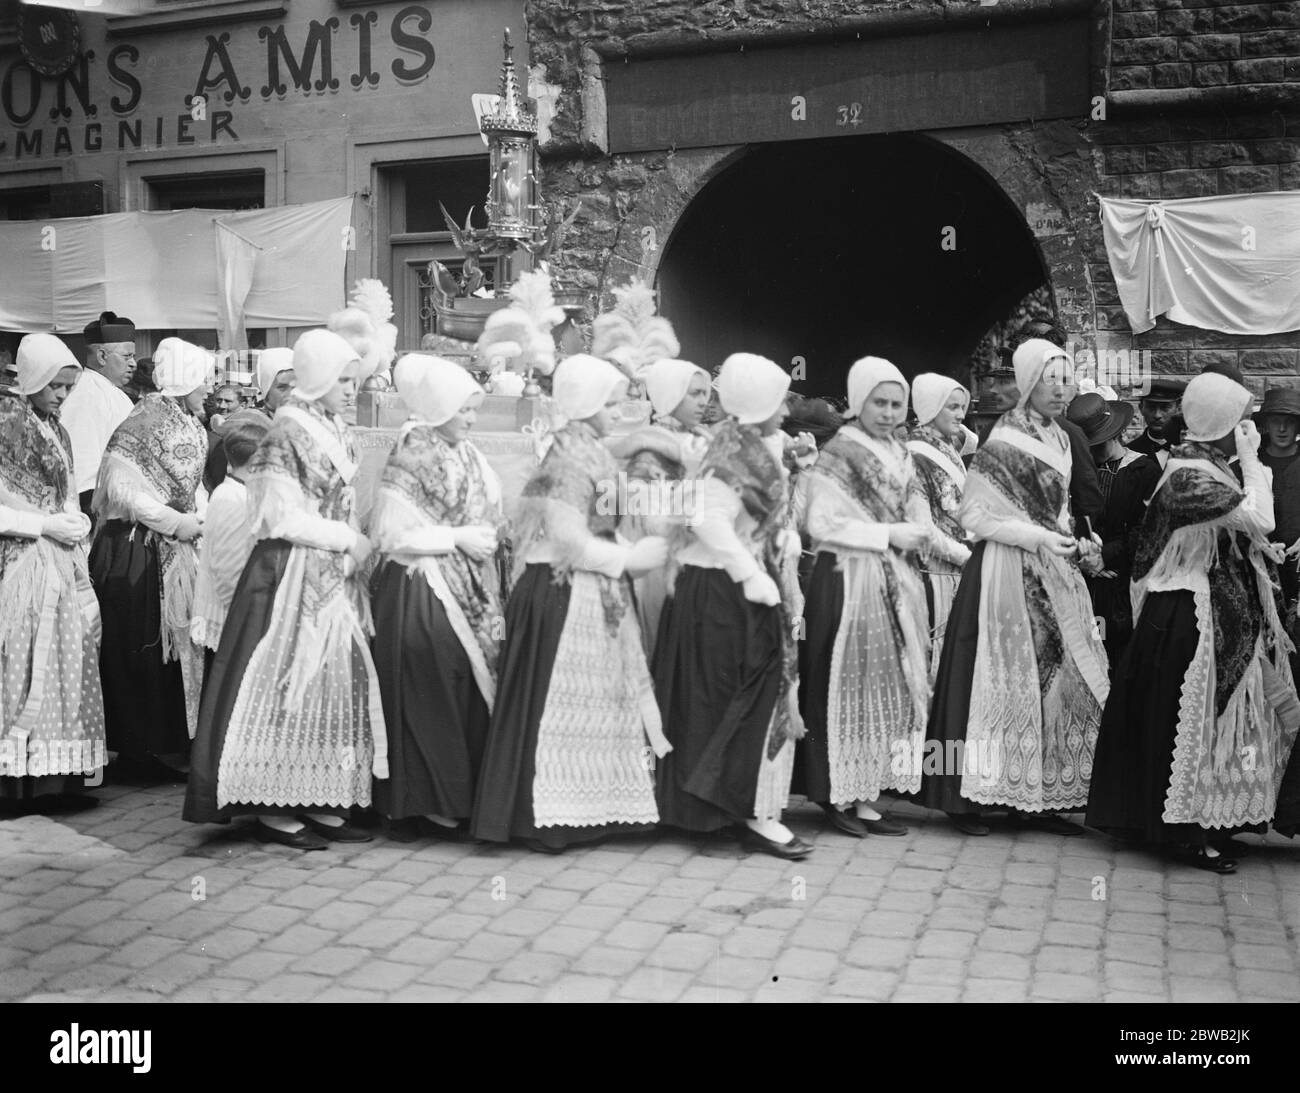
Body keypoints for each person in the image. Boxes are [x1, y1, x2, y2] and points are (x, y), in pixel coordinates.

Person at [1086, 372, 1300, 871]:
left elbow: (1244, 528)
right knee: (1193, 721)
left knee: (1206, 721)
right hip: (1185, 612)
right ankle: (1183, 832)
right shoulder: (1189, 476)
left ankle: (1208, 822)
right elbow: (1259, 517)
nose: (1250, 426)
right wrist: (1253, 459)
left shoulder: (1205, 463)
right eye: (1242, 419)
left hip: (1203, 606)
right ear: (1220, 422)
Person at [184, 330, 384, 850]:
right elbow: (277, 518)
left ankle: (314, 796)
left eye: (352, 379)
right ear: (316, 378)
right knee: (279, 684)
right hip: (286, 575)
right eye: (340, 379)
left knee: (325, 683)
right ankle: (272, 807)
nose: (349, 388)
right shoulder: (285, 435)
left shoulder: (333, 426)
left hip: (328, 572)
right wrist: (346, 538)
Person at [471, 354, 669, 853]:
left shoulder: (594, 453)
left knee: (596, 701)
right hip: (562, 589)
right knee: (556, 707)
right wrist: (626, 560)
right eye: (613, 402)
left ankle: (590, 810)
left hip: (589, 588)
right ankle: (547, 819)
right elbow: (567, 540)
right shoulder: (566, 458)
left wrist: (628, 550)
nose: (620, 411)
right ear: (588, 403)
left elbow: (602, 526)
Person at [916, 339, 1110, 837]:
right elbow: (975, 516)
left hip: (1053, 570)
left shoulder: (1064, 439)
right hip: (1003, 570)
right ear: (1028, 382)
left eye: (1067, 379)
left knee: (1051, 676)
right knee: (994, 676)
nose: (1061, 389)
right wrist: (1040, 536)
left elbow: (1061, 507)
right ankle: (967, 800)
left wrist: (1076, 540)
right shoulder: (1003, 437)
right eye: (1051, 379)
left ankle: (1035, 798)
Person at [654, 353, 811, 860]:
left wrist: (782, 536)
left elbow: (760, 514)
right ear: (757, 403)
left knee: (751, 694)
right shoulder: (729, 452)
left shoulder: (760, 444)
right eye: (779, 400)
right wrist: (749, 571)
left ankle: (742, 804)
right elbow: (705, 518)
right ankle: (738, 809)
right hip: (721, 590)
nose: (787, 410)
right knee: (731, 697)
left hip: (746, 583)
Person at [370, 355, 505, 841]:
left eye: (473, 409)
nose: (471, 419)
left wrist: (481, 536)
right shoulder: (414, 450)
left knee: (460, 687)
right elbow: (390, 533)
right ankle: (423, 801)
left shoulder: (462, 449)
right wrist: (457, 538)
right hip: (421, 587)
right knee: (430, 689)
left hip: (463, 581)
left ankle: (459, 794)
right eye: (464, 410)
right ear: (438, 407)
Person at [797, 357, 930, 839]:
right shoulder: (840, 453)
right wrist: (889, 533)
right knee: (842, 684)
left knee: (881, 685)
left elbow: (915, 502)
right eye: (880, 402)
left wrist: (921, 528)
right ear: (858, 401)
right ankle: (834, 792)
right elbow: (822, 524)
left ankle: (865, 792)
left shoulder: (900, 451)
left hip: (888, 579)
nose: (890, 412)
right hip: (847, 579)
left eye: (898, 403)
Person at [90, 338, 210, 779]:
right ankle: (144, 750)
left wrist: (199, 516)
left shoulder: (188, 422)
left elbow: (193, 482)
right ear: (186, 380)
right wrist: (176, 523)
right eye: (202, 379)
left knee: (179, 650)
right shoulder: (139, 424)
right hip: (137, 551)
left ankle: (173, 742)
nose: (208, 388)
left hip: (178, 546)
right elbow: (126, 493)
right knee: (143, 648)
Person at [0, 334, 105, 813]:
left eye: (68, 386)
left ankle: (51, 780)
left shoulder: (58, 430)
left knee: (66, 659)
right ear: (34, 378)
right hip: (18, 564)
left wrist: (74, 521)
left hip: (59, 563)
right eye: (55, 386)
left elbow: (65, 491)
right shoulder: (5, 424)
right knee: (19, 663)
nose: (62, 396)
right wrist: (41, 524)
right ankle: (14, 781)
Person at [610, 358, 711, 656]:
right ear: (670, 394)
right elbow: (653, 522)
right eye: (695, 393)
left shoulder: (703, 441)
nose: (704, 402)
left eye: (706, 394)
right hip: (661, 567)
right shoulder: (649, 454)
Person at [1065, 391, 1161, 667]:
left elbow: (1147, 532)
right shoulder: (1076, 470)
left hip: (1123, 587)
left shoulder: (1144, 471)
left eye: (1094, 445)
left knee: (1120, 662)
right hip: (1081, 583)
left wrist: (1105, 555)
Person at [906, 373, 975, 683]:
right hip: (934, 571)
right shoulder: (914, 455)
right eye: (952, 407)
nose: (961, 415)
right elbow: (922, 527)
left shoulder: (948, 445)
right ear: (931, 406)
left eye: (963, 407)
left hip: (959, 568)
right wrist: (966, 557)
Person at [189, 412, 269, 669]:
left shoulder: (242, 493)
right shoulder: (230, 498)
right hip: (233, 621)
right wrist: (248, 619)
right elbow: (227, 573)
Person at [60, 311, 136, 518]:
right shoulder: (84, 393)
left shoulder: (117, 393)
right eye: (127, 356)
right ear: (102, 356)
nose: (133, 364)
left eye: (134, 357)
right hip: (97, 510)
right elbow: (83, 468)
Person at [1256, 388, 1300, 617]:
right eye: (1276, 421)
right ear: (1265, 424)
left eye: (1289, 422)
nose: (1282, 429)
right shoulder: (1249, 463)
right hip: (1258, 566)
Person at [1129, 378, 1186, 468]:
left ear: (1178, 409)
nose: (1157, 415)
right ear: (1141, 408)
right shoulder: (1130, 451)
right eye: (1151, 407)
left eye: (1165, 408)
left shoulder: (1189, 451)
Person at [256, 347, 296, 418]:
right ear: (266, 391)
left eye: (295, 387)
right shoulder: (254, 425)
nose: (291, 394)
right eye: (282, 388)